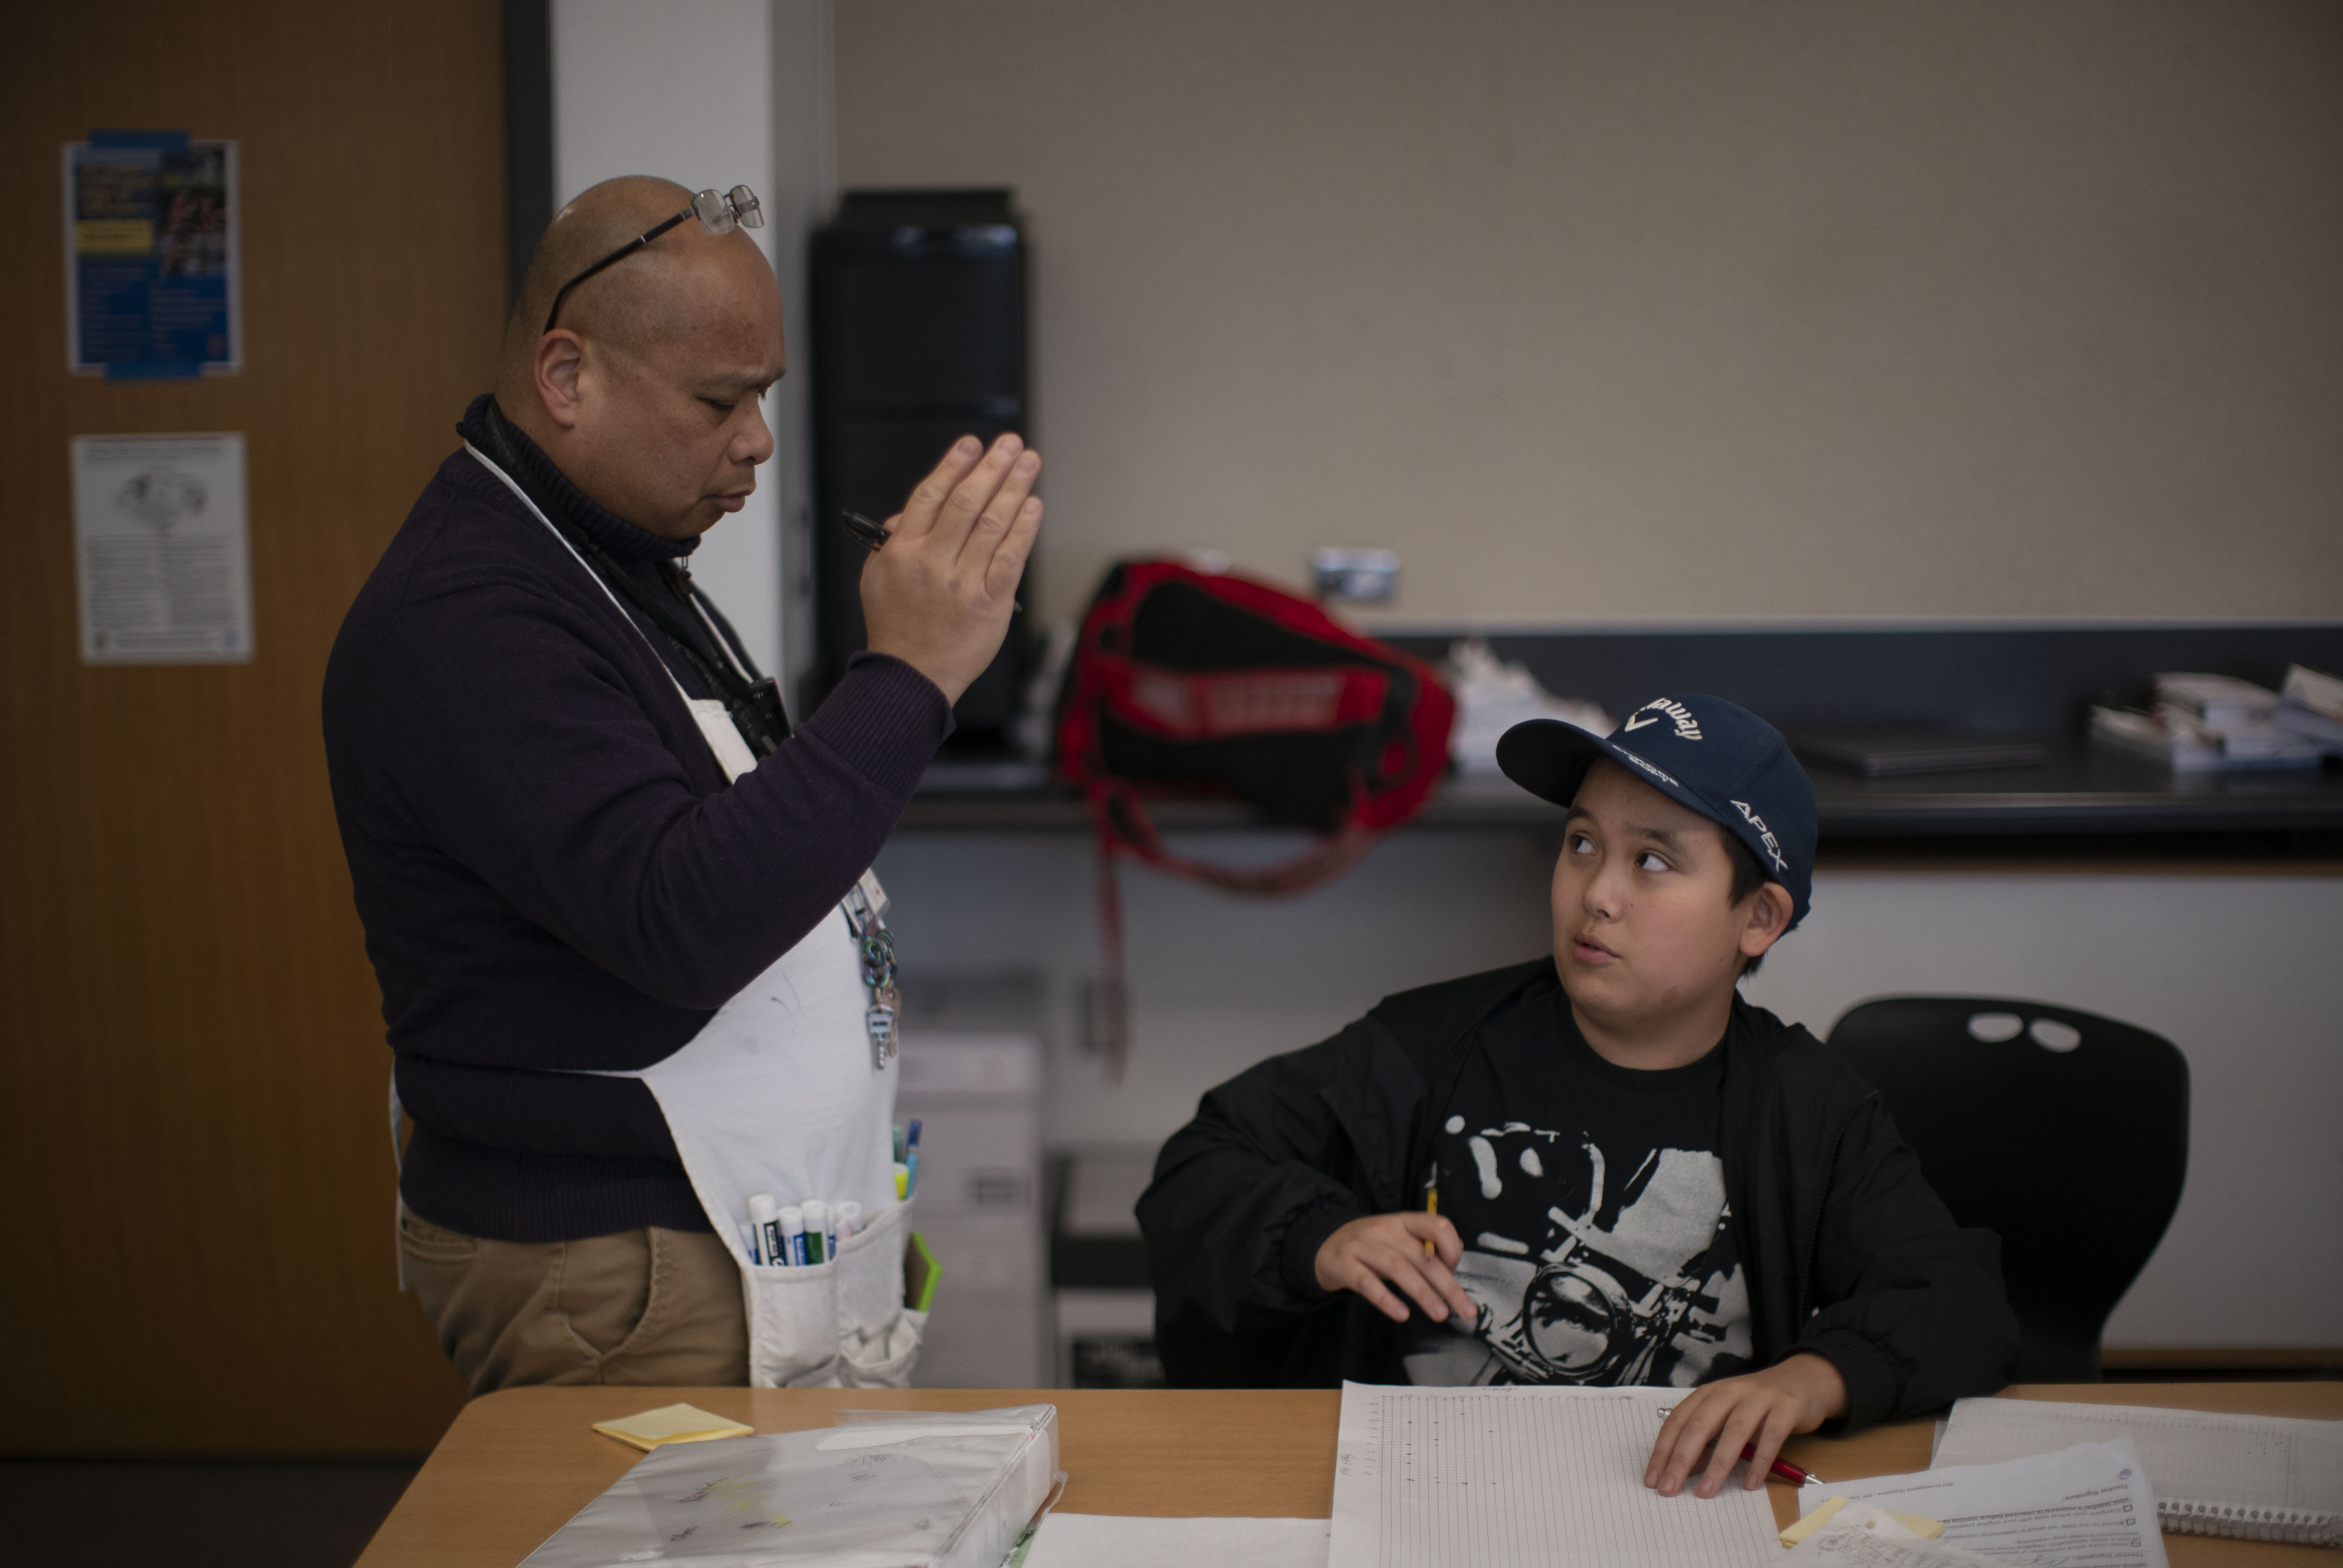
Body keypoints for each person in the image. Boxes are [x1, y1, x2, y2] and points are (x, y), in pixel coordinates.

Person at [323, 176, 1040, 1391]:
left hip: (743, 1227)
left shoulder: (610, 559)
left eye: (762, 396)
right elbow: (681, 918)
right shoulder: (466, 614)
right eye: (722, 398)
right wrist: (907, 675)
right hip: (623, 1262)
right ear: (567, 377)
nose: (757, 437)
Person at [1137, 695, 2019, 1500]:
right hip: (1421, 1497)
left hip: (1677, 1508)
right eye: (1581, 843)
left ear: (1757, 919)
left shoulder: (1805, 1107)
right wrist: (1318, 1236)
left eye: (1652, 861)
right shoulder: (1425, 1046)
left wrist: (1811, 1378)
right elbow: (1200, 1165)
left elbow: (1952, 1300)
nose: (1595, 893)